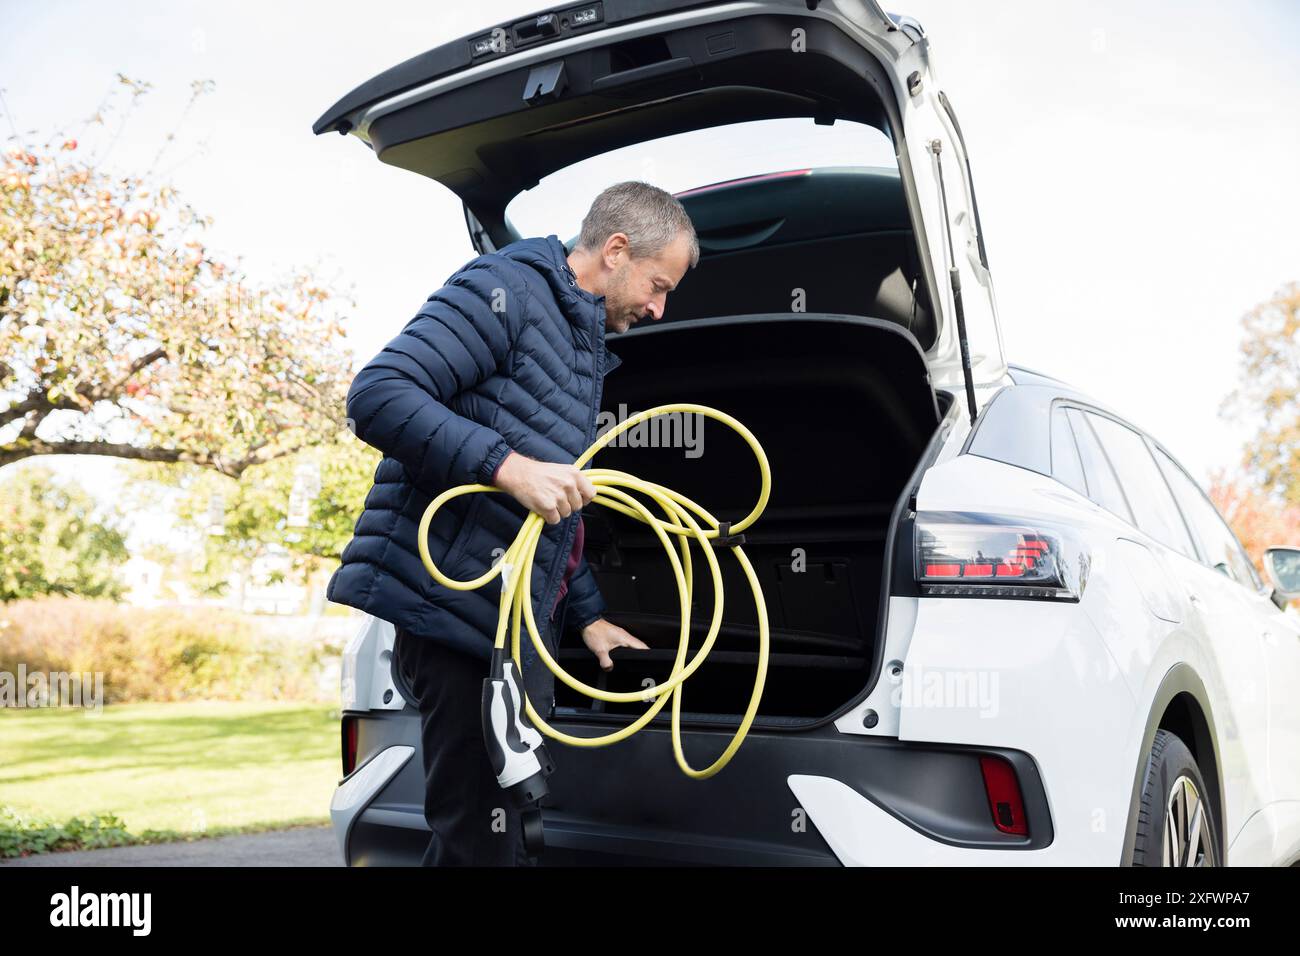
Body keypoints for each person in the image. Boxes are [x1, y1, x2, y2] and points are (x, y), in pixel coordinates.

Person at [327, 181, 700, 865]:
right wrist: (509, 466)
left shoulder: (575, 343)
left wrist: (586, 613)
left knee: (480, 837)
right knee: (483, 837)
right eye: (657, 284)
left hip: (503, 624)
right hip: (454, 616)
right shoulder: (509, 290)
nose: (658, 306)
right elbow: (376, 396)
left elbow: (549, 513)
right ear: (616, 250)